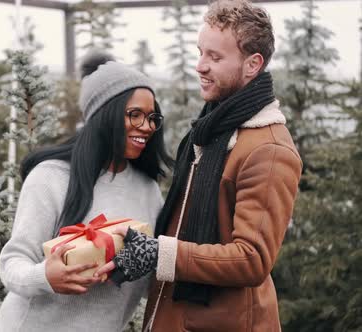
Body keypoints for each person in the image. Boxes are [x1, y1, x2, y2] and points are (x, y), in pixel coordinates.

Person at [94, 0, 303, 331]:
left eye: (215, 57)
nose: (200, 66)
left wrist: (160, 253)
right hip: (175, 314)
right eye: (200, 52)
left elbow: (252, 259)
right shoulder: (210, 131)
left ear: (253, 64)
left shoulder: (269, 151)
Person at [0, 51, 174, 331]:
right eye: (134, 114)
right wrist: (45, 277)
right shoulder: (51, 177)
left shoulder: (147, 191)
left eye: (151, 118)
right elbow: (12, 263)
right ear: (105, 116)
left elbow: (150, 286)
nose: (146, 127)